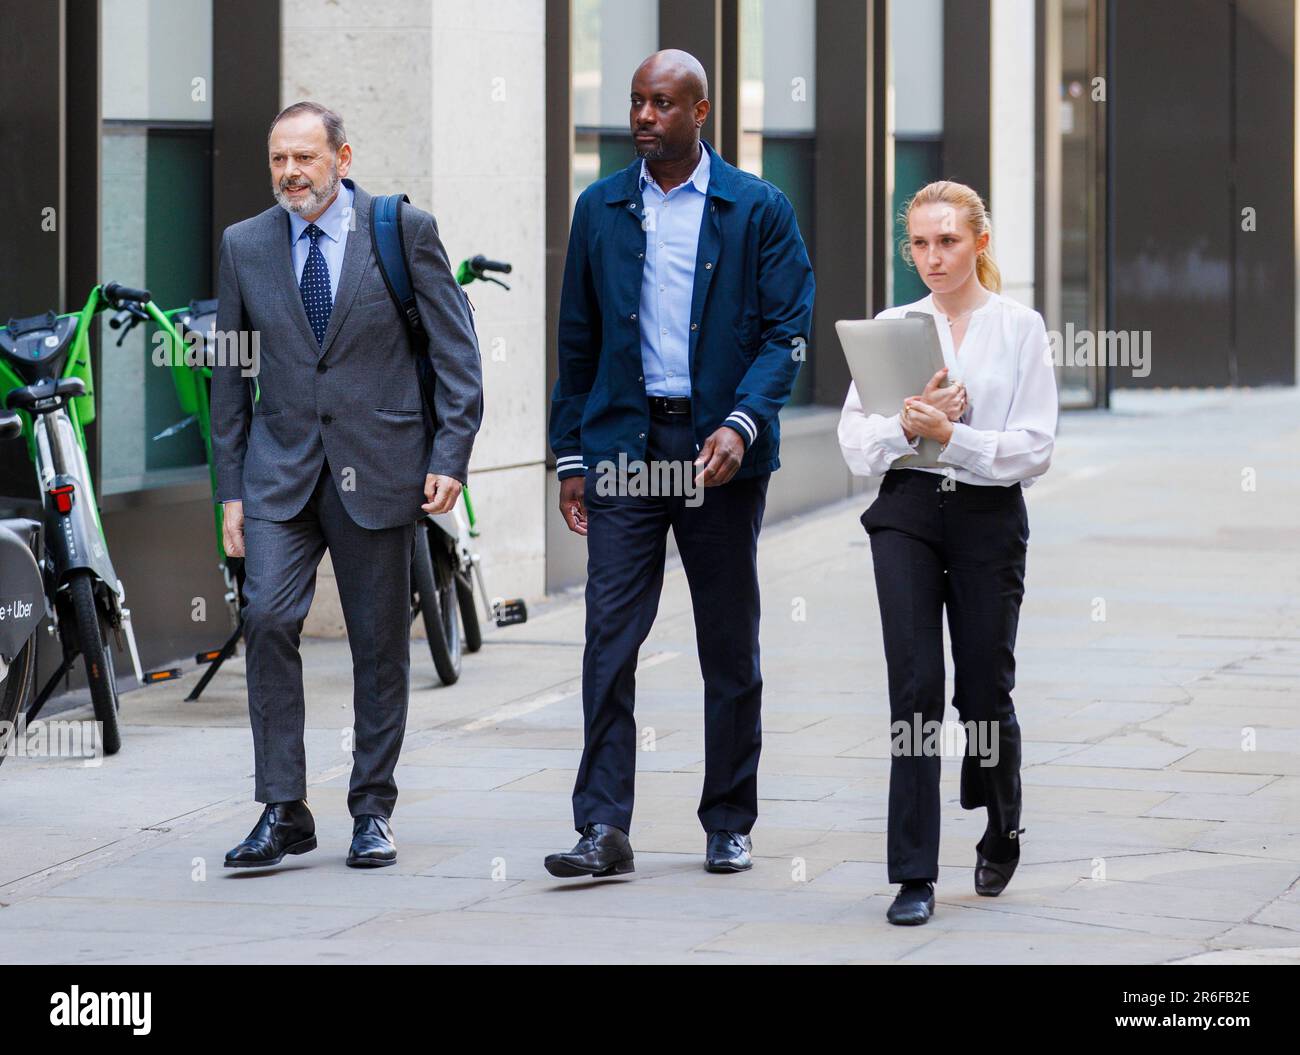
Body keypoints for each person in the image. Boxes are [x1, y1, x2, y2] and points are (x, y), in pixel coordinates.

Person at [544, 50, 815, 878]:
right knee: (608, 641)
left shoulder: (757, 209)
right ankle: (603, 829)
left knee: (728, 640)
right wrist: (570, 456)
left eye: (662, 103)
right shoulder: (599, 209)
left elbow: (786, 333)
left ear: (701, 112)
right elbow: (577, 342)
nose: (643, 117)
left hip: (715, 456)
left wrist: (741, 424)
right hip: (625, 447)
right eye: (636, 102)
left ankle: (728, 817)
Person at [211, 102, 483, 870]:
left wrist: (450, 457)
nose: (290, 174)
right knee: (265, 618)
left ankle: (372, 806)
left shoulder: (403, 232)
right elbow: (229, 376)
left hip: (383, 464)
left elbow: (459, 358)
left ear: (342, 156)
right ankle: (283, 806)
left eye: (305, 158)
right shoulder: (244, 246)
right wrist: (229, 491)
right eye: (278, 160)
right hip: (279, 472)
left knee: (378, 644)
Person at [837, 180, 1057, 924]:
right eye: (921, 243)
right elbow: (856, 440)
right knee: (916, 691)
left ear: (980, 243)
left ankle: (1002, 819)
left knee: (984, 693)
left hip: (988, 519)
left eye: (949, 241)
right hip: (906, 513)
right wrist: (907, 428)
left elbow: (1033, 447)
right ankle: (912, 873)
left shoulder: (1019, 328)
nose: (933, 257)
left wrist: (950, 435)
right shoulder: (891, 326)